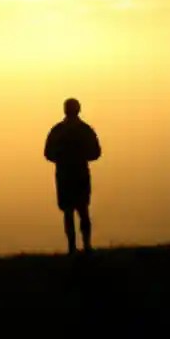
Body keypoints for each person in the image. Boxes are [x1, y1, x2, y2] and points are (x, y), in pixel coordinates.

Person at [43, 98, 101, 255]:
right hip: (77, 174)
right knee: (82, 210)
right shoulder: (84, 129)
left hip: (66, 175)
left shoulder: (58, 131)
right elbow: (96, 153)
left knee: (71, 212)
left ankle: (73, 247)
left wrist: (63, 158)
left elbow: (48, 153)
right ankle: (85, 246)